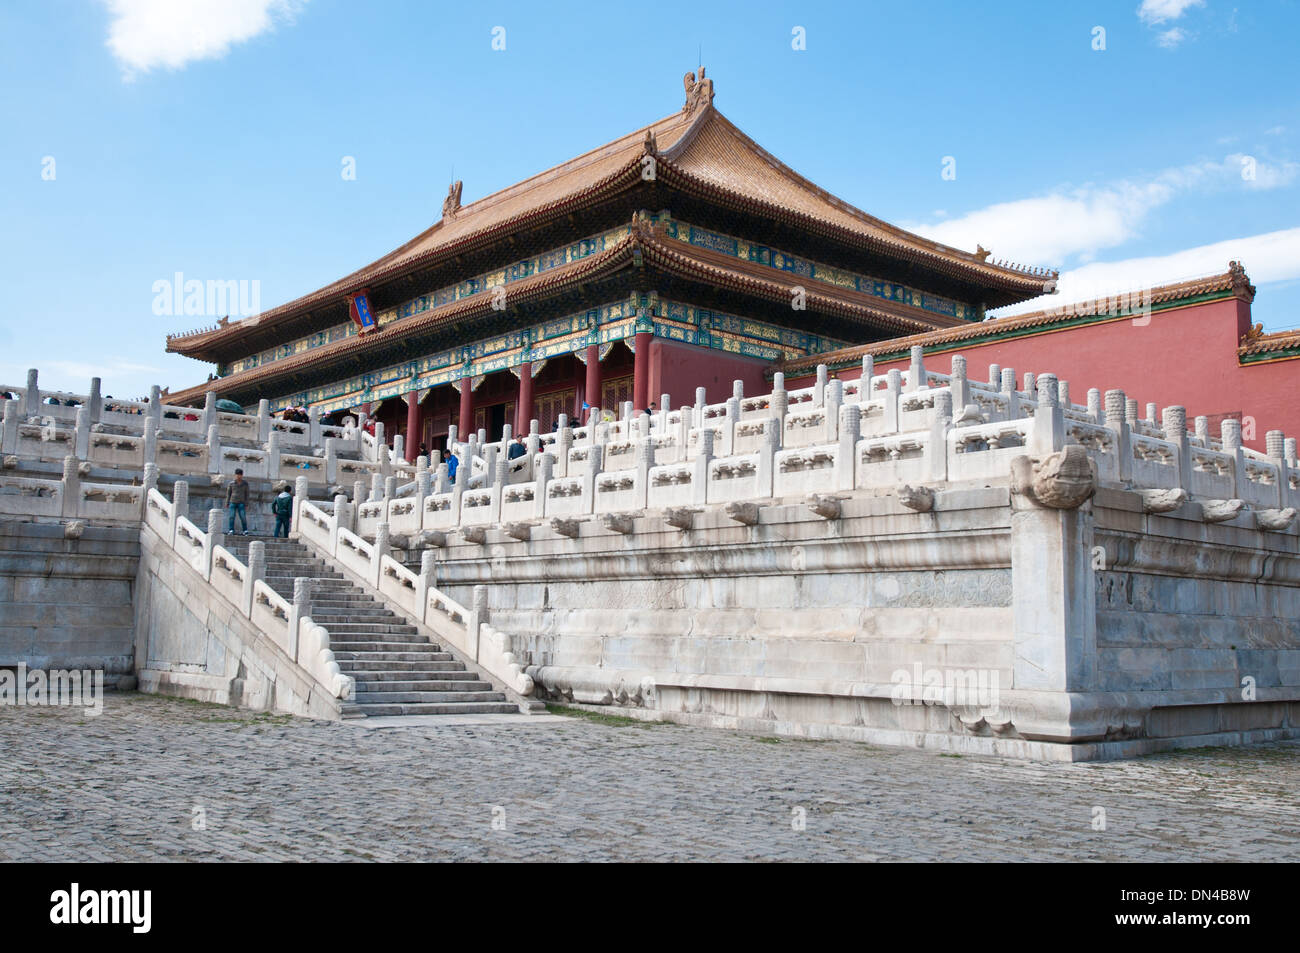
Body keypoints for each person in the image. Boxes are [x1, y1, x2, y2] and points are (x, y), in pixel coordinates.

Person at [225, 468, 250, 535]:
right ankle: (231, 530)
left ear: (242, 475)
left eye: (240, 475)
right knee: (231, 516)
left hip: (241, 502)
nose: (239, 476)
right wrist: (227, 503)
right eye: (237, 475)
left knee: (243, 516)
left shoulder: (245, 484)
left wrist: (246, 504)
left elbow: (247, 494)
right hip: (232, 501)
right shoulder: (231, 483)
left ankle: (245, 530)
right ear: (235, 475)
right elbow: (228, 494)